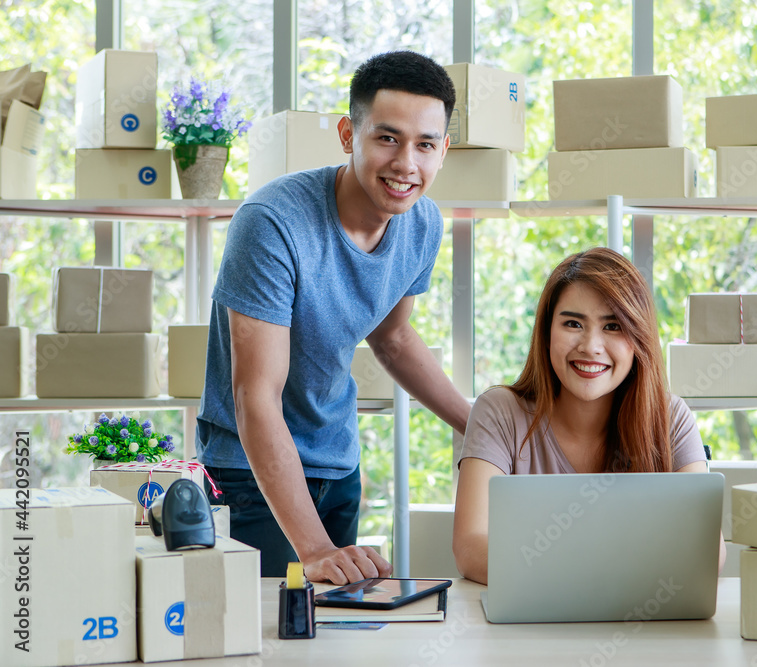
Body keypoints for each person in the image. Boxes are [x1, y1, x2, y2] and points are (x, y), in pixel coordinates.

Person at [197, 50, 471, 584]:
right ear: (349, 134)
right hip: (248, 474)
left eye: (425, 145)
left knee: (334, 638)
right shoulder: (272, 222)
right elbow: (256, 396)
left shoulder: (423, 223)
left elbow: (392, 339)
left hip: (338, 467)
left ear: (443, 152)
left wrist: (478, 425)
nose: (406, 164)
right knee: (272, 635)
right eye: (387, 138)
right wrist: (316, 547)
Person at [452, 247, 726, 584]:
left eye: (612, 326)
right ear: (546, 332)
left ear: (638, 338)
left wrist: (576, 579)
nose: (591, 346)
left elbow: (708, 552)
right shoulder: (499, 412)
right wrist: (599, 580)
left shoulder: (670, 418)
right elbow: (470, 547)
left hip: (641, 624)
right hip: (530, 626)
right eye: (572, 323)